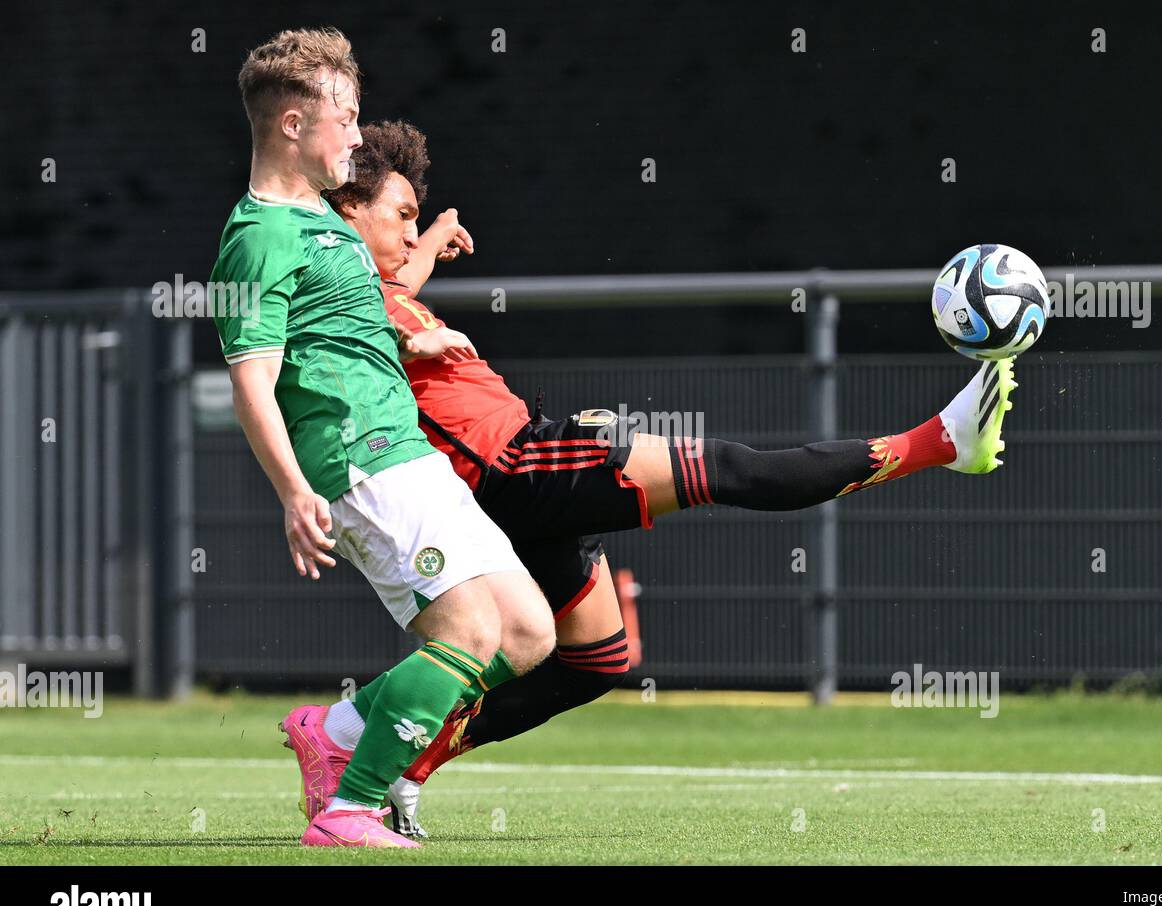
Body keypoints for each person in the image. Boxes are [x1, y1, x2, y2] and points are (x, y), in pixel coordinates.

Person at [320, 119, 1018, 837]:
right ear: (348, 212)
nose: (410, 235)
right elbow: (342, 316)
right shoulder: (340, 283)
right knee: (730, 468)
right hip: (519, 461)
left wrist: (428, 241)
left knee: (596, 659)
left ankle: (404, 761)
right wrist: (412, 335)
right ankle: (937, 441)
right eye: (401, 216)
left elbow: (394, 281)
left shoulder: (382, 278)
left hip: (512, 492)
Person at [209, 31, 554, 849]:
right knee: (468, 629)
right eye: (347, 119)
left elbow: (358, 310)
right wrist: (295, 489)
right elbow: (252, 380)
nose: (358, 138)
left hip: (409, 450)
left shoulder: (318, 223)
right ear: (293, 124)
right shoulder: (256, 235)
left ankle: (333, 729)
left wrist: (412, 326)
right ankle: (349, 809)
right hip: (359, 459)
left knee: (529, 630)